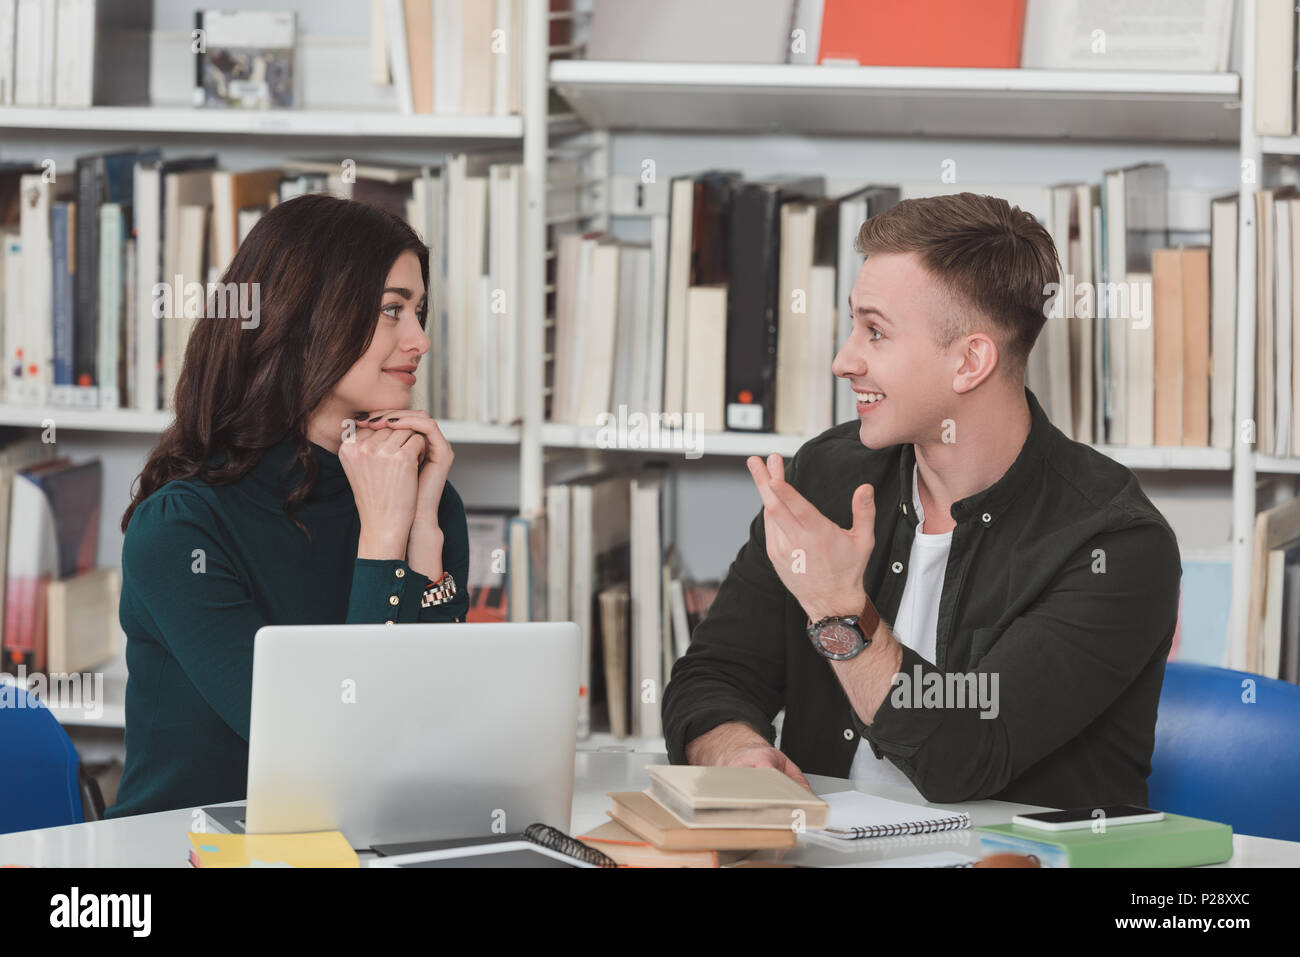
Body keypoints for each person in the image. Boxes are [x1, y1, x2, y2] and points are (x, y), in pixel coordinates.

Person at [662, 192, 1182, 810]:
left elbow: (965, 754)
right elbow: (711, 676)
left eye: (875, 331)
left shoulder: (1115, 544)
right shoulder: (826, 474)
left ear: (969, 362)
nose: (842, 361)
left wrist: (840, 612)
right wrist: (738, 753)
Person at [106, 194, 469, 818]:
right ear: (306, 317)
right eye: (392, 311)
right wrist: (384, 540)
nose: (421, 339)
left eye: (419, 311)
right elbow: (324, 759)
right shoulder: (183, 529)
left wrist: (424, 536)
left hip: (369, 846)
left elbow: (433, 733)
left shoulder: (421, 494)